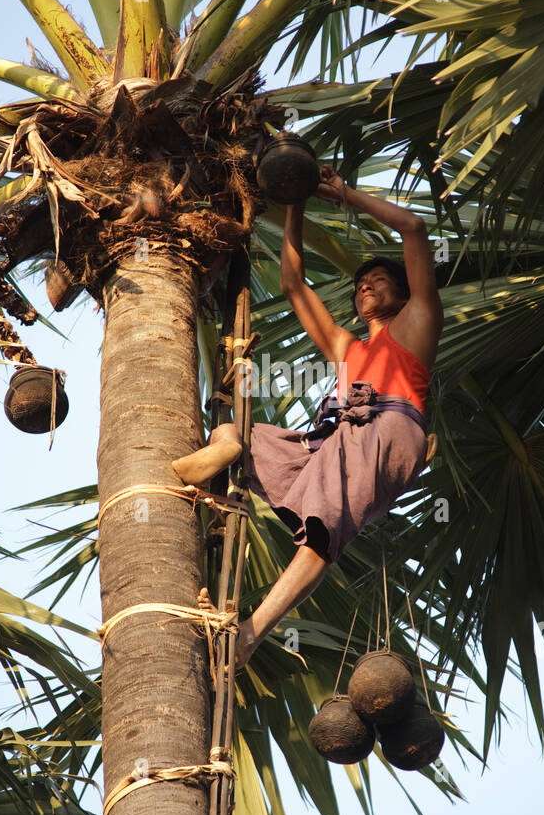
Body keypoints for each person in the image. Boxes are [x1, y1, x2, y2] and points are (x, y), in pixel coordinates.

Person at [171, 165, 443, 670]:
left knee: (322, 531)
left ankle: (251, 632)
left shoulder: (418, 322)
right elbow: (293, 284)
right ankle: (228, 458)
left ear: (404, 293)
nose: (364, 289)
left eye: (377, 281)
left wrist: (343, 194)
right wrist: (294, 201)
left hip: (387, 428)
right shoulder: (347, 345)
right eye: (359, 286)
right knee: (239, 438)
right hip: (330, 438)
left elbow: (414, 229)